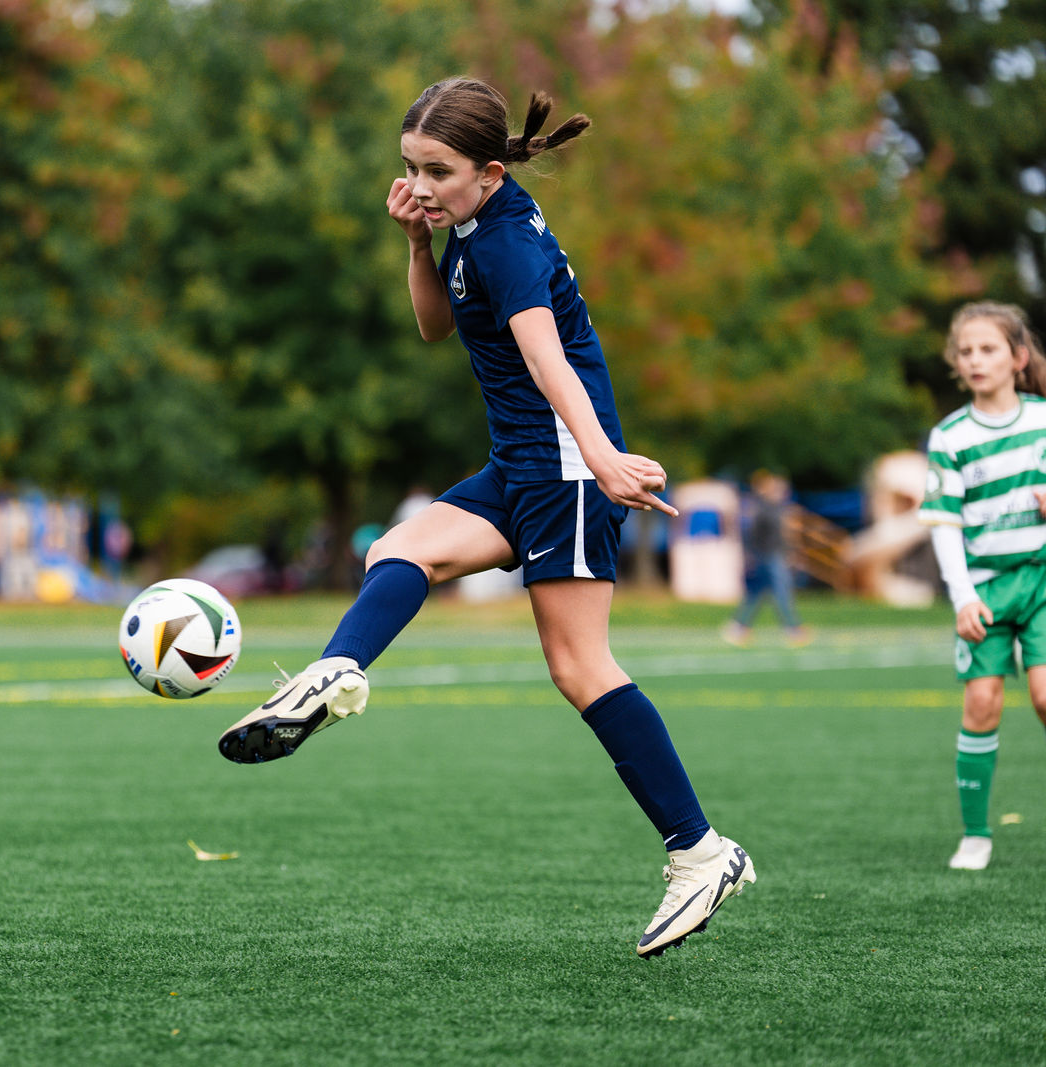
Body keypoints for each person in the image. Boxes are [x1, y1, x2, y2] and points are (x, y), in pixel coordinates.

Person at [217, 77, 754, 958]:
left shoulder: (504, 247)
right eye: (409, 167)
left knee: (581, 666)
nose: (419, 184)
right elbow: (436, 329)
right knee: (401, 549)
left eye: (437, 171)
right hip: (522, 461)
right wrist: (415, 243)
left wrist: (606, 458)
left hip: (568, 466)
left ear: (490, 172)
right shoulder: (468, 227)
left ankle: (702, 853)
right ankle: (336, 672)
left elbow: (549, 360)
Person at [916, 301, 1046, 872]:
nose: (975, 359)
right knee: (982, 702)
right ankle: (975, 834)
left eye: (988, 348)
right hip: (985, 588)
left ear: (1018, 357)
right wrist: (963, 596)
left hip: (1041, 579)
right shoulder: (949, 437)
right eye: (965, 351)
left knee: (1045, 697)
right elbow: (944, 523)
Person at [721, 470, 812, 648]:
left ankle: (738, 626)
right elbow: (753, 535)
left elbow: (784, 536)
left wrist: (791, 553)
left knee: (757, 594)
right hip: (767, 556)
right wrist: (752, 555)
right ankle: (792, 628)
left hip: (775, 555)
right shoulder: (762, 509)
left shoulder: (778, 508)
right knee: (781, 592)